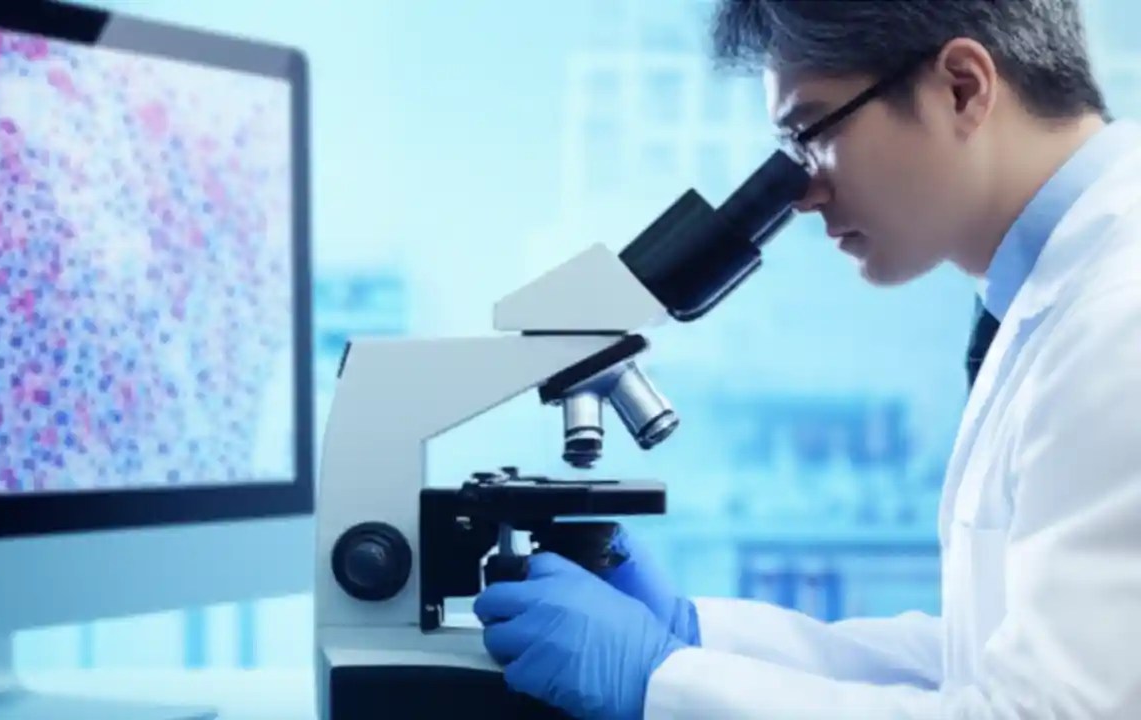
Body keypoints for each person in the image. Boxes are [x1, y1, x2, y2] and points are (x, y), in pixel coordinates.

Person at [473, 0, 1141, 717]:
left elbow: (1048, 712)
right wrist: (698, 639)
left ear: (962, 88)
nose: (804, 194)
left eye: (812, 132)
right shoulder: (1056, 292)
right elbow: (976, 659)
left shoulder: (1117, 318)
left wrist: (661, 684)